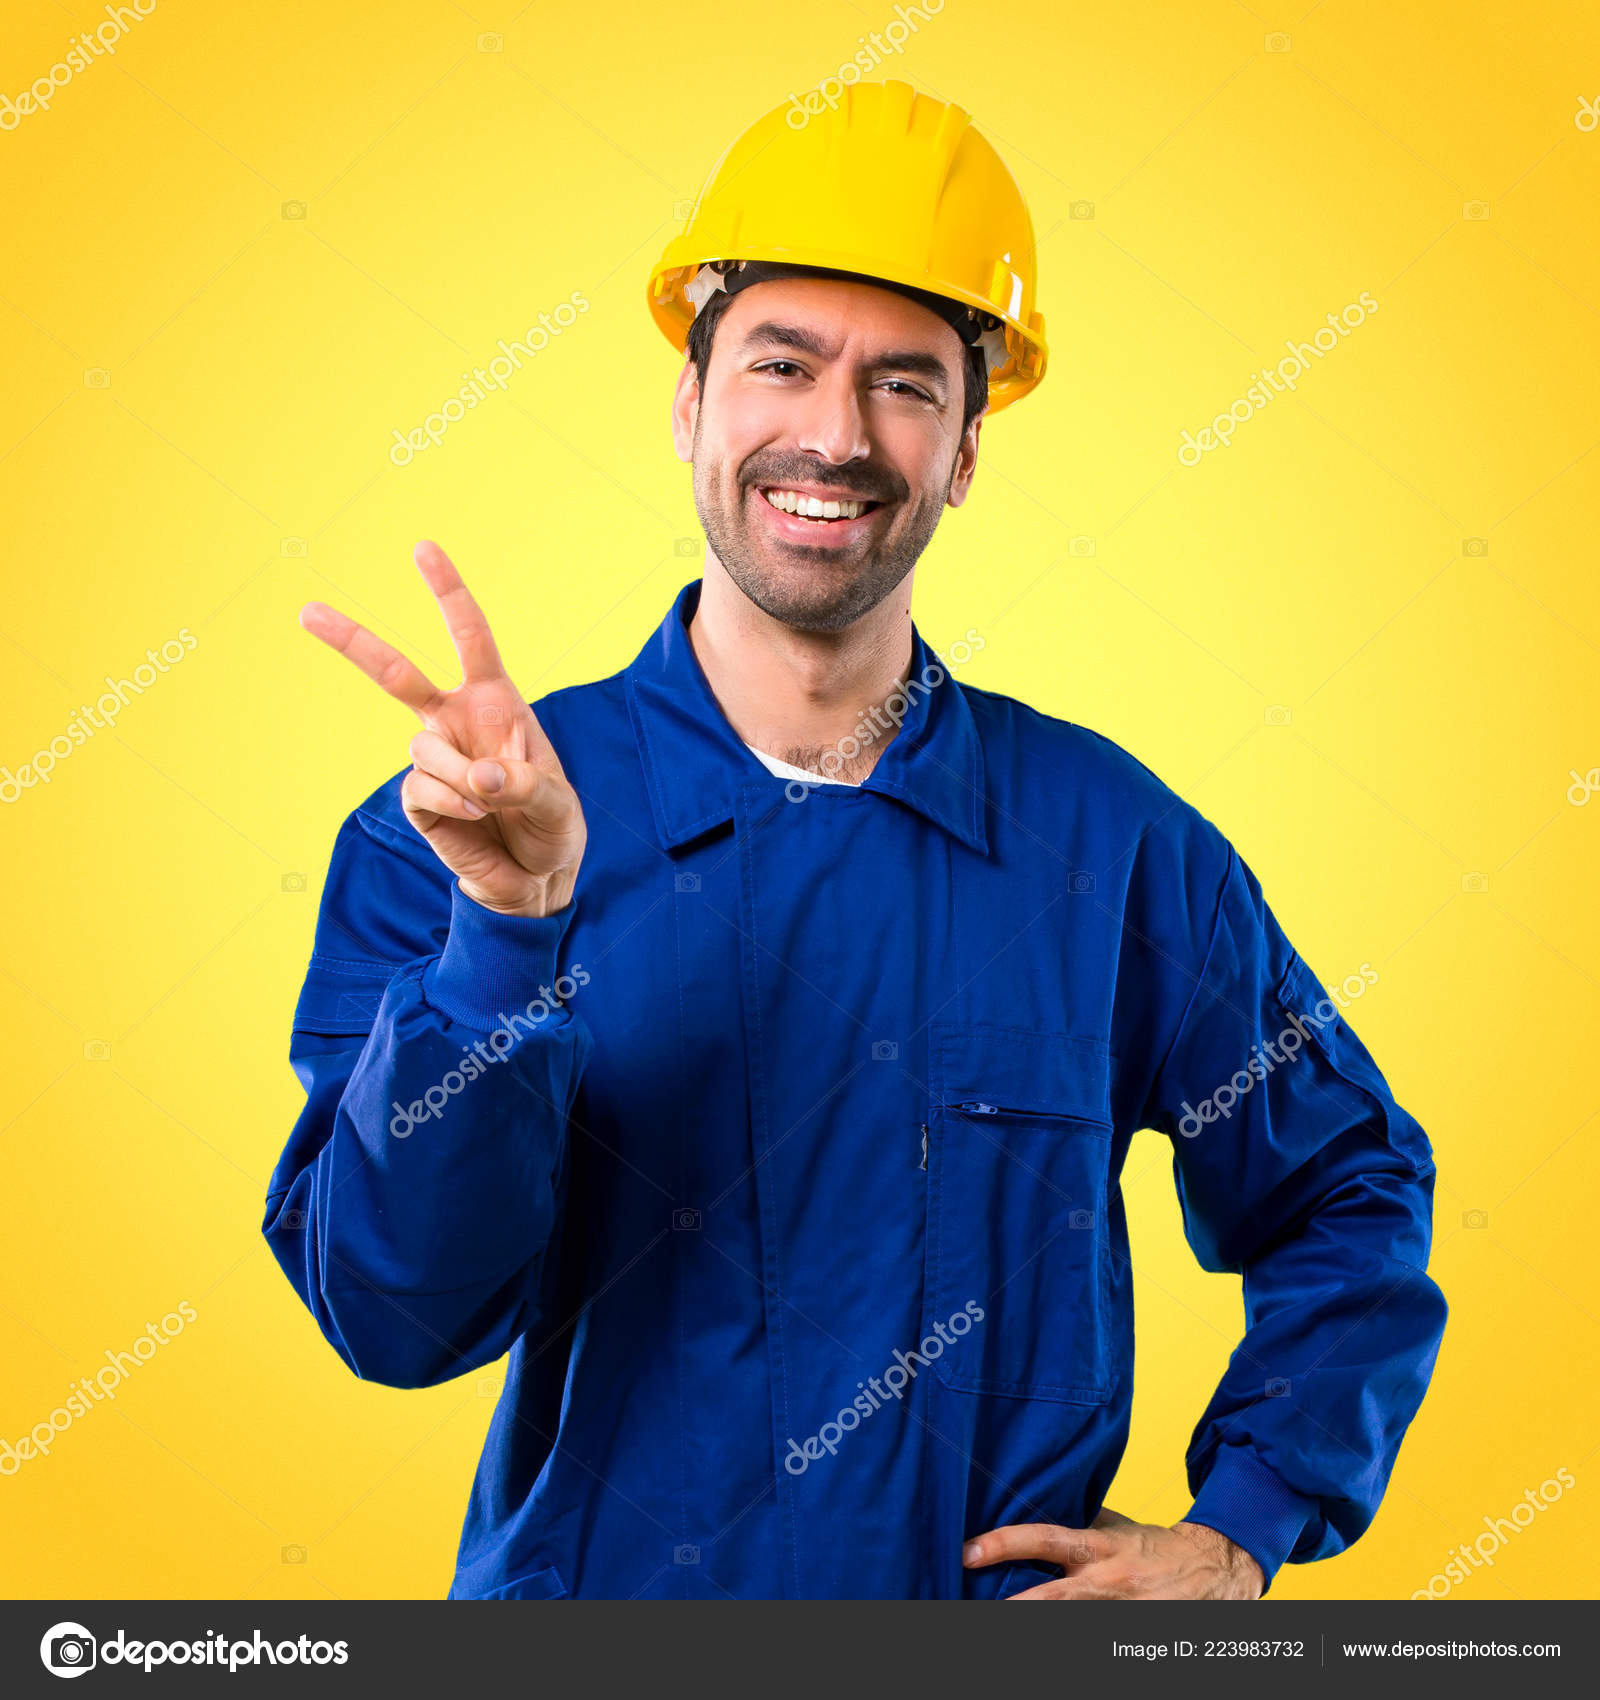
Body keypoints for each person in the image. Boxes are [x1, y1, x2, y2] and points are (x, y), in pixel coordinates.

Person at [263, 79, 1446, 1601]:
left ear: (964, 449)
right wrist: (508, 935)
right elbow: (397, 1320)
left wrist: (1241, 1534)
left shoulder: (1112, 845)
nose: (835, 435)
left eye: (904, 384)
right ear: (691, 405)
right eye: (782, 362)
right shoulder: (462, 821)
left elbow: (1345, 1189)